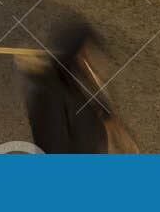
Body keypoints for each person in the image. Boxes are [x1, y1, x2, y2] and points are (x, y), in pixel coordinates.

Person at [21, 16, 131, 153]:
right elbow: (54, 143)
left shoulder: (78, 74)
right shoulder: (49, 92)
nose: (89, 55)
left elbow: (98, 101)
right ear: (77, 51)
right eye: (85, 49)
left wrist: (115, 128)